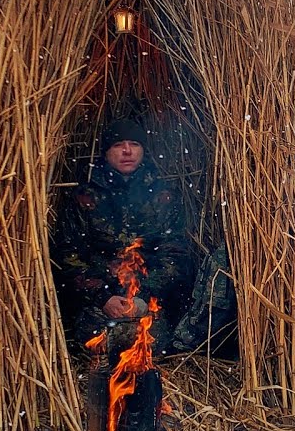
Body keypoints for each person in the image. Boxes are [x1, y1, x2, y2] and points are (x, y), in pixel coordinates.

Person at [51, 118, 236, 356]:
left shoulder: (163, 197)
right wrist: (103, 297)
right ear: (106, 152)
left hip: (149, 300)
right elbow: (68, 256)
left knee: (151, 344)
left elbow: (176, 256)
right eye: (118, 145)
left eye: (134, 144)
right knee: (98, 344)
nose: (127, 151)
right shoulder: (84, 198)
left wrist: (144, 296)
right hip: (99, 301)